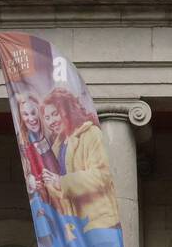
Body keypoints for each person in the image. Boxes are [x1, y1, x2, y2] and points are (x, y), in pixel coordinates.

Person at [39, 88, 121, 234]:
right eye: (47, 117)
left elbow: (101, 176)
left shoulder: (91, 134)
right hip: (76, 229)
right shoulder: (57, 146)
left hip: (100, 223)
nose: (51, 121)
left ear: (68, 111)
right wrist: (48, 185)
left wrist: (61, 182)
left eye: (55, 114)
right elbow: (63, 191)